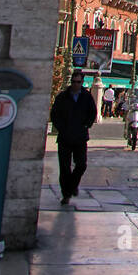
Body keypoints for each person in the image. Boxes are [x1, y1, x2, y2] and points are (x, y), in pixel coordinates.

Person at [50, 70, 97, 205]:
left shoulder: (87, 97)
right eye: (74, 82)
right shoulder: (63, 96)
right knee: (64, 168)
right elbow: (54, 114)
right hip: (65, 137)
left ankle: (72, 185)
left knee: (81, 165)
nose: (76, 85)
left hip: (80, 137)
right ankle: (66, 194)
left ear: (82, 82)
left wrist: (86, 125)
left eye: (78, 82)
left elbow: (92, 113)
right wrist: (61, 128)